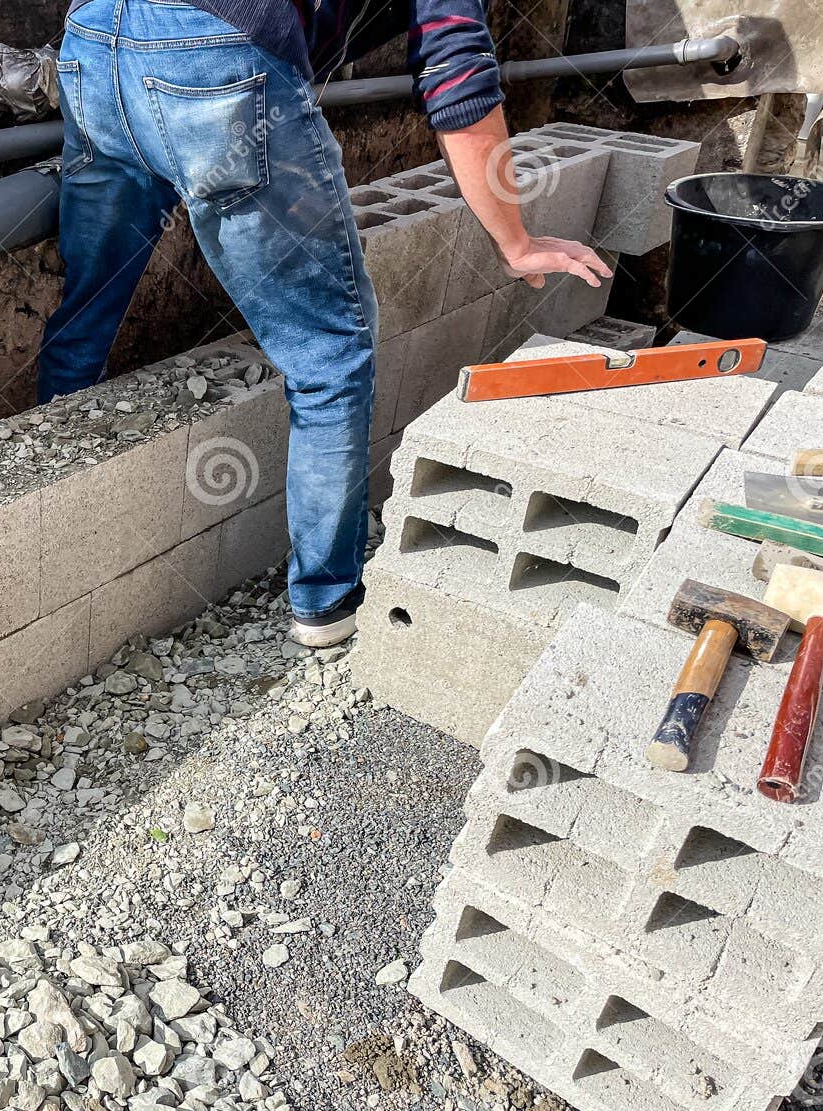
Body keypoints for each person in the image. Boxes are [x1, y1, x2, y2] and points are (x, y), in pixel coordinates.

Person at [37, 0, 612, 647]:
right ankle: (326, 601)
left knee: (89, 307)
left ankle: (44, 531)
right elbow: (458, 79)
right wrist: (516, 240)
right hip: (212, 60)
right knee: (330, 354)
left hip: (95, 36)